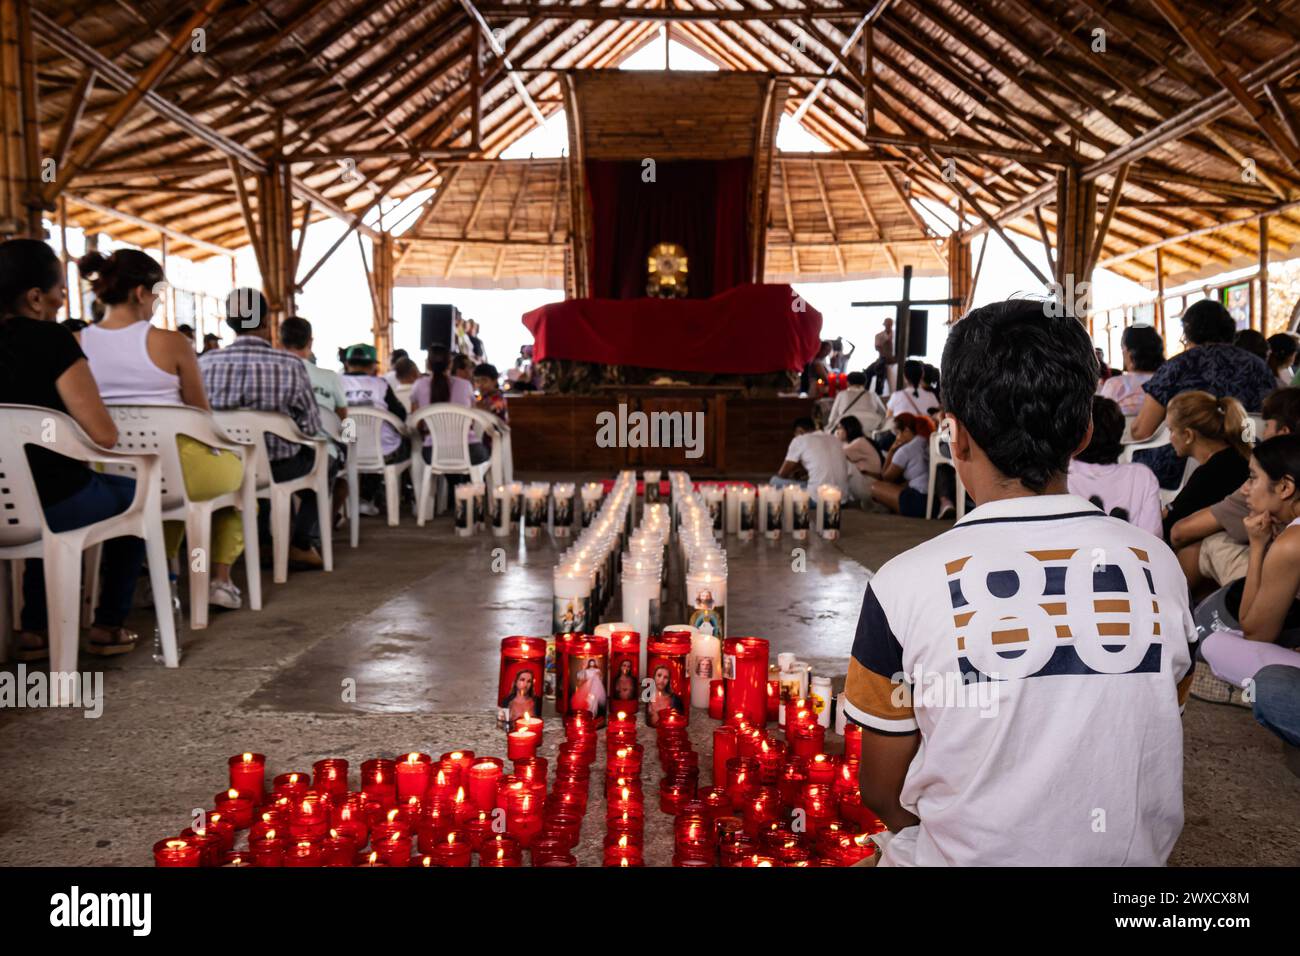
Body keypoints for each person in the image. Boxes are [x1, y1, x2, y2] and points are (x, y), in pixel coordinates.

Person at [843, 298, 1195, 867]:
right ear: (1083, 433)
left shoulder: (900, 586)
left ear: (954, 437)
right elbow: (1150, 722)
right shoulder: (1161, 570)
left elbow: (882, 793)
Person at [0, 239, 146, 660]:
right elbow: (104, 435)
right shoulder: (53, 340)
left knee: (37, 502)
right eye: (60, 289)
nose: (64, 299)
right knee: (135, 495)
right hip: (55, 502)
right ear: (34, 297)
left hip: (9, 508)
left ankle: (34, 630)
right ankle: (107, 627)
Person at [77, 249, 247, 611]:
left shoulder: (77, 344)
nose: (156, 303)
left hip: (108, 471)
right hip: (177, 469)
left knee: (164, 490)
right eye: (156, 295)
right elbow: (201, 415)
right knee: (241, 477)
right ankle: (220, 579)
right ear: (140, 292)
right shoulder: (171, 343)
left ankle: (165, 577)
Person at [200, 288, 324, 568]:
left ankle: (263, 543)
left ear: (229, 322)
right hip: (279, 467)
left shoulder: (205, 363)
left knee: (255, 467)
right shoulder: (291, 364)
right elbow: (311, 425)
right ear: (267, 321)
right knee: (322, 466)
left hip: (225, 465)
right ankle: (300, 544)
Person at [1170, 387, 1299, 591]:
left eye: (1267, 426)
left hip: (1282, 582)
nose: (1263, 434)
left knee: (1209, 544)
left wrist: (1257, 547)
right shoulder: (1242, 461)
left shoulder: (1261, 482)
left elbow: (1179, 532)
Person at [1200, 435, 1300, 688]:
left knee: (1217, 644)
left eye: (1253, 477)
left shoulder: (1291, 543)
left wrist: (1257, 546)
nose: (1245, 488)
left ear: (1285, 488)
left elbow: (1256, 633)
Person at [1130, 300, 1276, 444]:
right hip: (1248, 455)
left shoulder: (1176, 367)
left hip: (1184, 459)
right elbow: (1270, 420)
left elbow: (1142, 431)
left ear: (1188, 331)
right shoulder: (1258, 366)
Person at [279, 317, 348, 523]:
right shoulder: (330, 377)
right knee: (333, 468)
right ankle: (310, 534)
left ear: (281, 342)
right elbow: (343, 417)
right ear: (310, 342)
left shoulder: (272, 373)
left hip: (274, 451)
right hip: (319, 450)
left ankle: (272, 535)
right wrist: (348, 441)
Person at [1067, 396, 1162, 537]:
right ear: (1120, 432)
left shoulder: (1062, 476)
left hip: (1078, 554)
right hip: (1132, 554)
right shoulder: (1142, 476)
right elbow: (1154, 535)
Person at [1161, 391, 1251, 539]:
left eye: (1171, 430)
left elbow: (1169, 528)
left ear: (1188, 435)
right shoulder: (1237, 457)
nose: (1170, 438)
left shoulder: (1210, 474)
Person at [341, 343, 410, 517]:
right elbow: (400, 415)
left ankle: (354, 500)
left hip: (346, 451)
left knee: (358, 442)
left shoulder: (336, 382)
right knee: (402, 442)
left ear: (347, 363)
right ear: (373, 365)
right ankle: (369, 498)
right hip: (384, 453)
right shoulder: (381, 384)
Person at [410, 345, 485, 467]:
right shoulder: (466, 385)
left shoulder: (418, 385)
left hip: (432, 452)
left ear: (428, 364)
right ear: (450, 364)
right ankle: (463, 484)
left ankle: (451, 484)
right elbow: (473, 419)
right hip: (469, 450)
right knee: (484, 454)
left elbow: (417, 422)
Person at [869, 412, 933, 518]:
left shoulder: (905, 450)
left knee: (875, 486)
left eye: (898, 433)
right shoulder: (925, 440)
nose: (897, 437)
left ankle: (892, 507)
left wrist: (891, 451)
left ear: (907, 430)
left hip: (918, 501)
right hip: (934, 501)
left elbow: (886, 477)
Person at [772, 417, 849, 496]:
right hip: (840, 497)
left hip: (818, 498)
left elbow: (782, 474)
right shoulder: (834, 439)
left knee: (774, 481)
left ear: (800, 431)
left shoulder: (799, 440)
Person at [1099, 325, 1165, 416]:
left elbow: (1099, 419)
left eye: (1122, 348)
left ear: (1128, 352)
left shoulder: (1116, 385)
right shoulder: (1168, 382)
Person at [825, 370, 887, 437]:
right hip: (871, 426)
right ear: (864, 383)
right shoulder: (873, 395)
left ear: (848, 383)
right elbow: (883, 413)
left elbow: (832, 417)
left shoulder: (842, 394)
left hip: (848, 428)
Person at [836, 416, 883, 504]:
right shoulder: (859, 441)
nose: (837, 432)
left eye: (839, 428)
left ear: (849, 429)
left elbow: (836, 455)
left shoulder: (859, 442)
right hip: (868, 483)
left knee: (843, 463)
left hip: (869, 486)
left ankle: (838, 496)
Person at [864, 317, 894, 395]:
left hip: (893, 359)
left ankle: (878, 391)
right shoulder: (879, 335)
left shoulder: (896, 335)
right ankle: (867, 392)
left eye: (890, 324)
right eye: (887, 324)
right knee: (871, 371)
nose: (888, 326)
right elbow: (878, 348)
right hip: (883, 359)